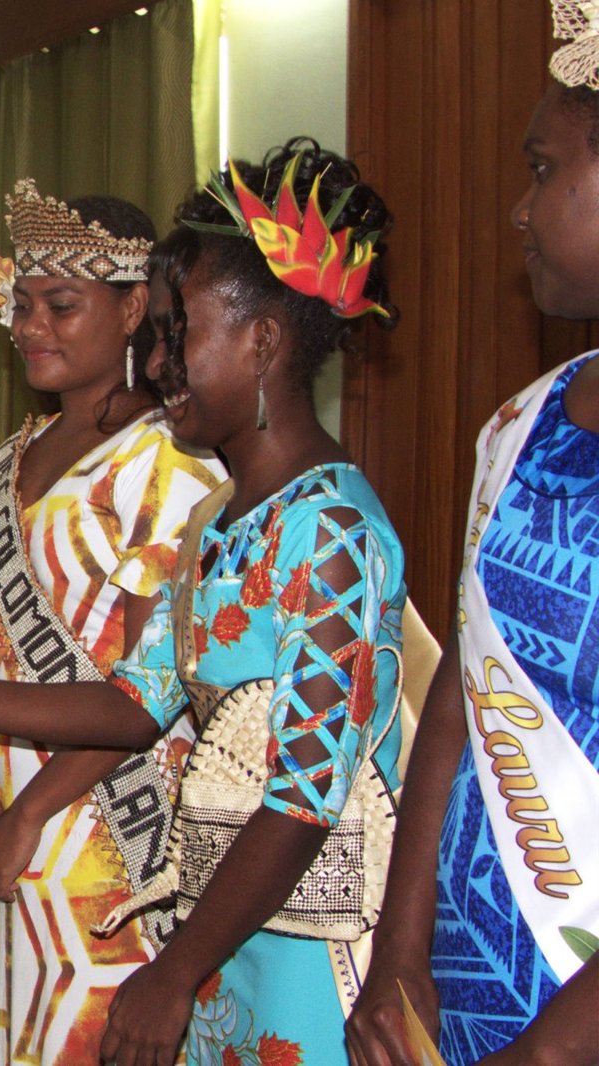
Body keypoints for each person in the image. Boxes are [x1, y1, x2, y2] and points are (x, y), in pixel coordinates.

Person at [0, 142, 407, 1066]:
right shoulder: (226, 522)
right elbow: (133, 702)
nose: (159, 357)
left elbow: (304, 800)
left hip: (304, 948)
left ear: (262, 343)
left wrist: (173, 970)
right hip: (217, 922)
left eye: (178, 330)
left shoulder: (333, 532)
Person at [344, 38, 599, 1066]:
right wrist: (401, 948)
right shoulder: (517, 425)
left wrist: (543, 1054)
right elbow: (463, 686)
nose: (519, 209)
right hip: (463, 992)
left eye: (543, 169)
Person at [0, 183, 224, 1063]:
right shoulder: (10, 458)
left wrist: (30, 811)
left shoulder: (168, 465)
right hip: (3, 811)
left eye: (62, 305)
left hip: (108, 825)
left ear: (134, 308)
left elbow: (158, 684)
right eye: (22, 303)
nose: (32, 325)